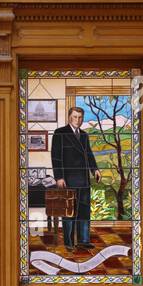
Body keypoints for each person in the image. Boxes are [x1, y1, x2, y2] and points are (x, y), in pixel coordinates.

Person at [51, 105, 100, 250]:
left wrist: (95, 169)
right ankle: (69, 243)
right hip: (68, 179)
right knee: (69, 212)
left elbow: (89, 154)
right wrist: (59, 177)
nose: (77, 120)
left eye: (80, 118)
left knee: (84, 211)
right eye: (74, 117)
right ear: (69, 117)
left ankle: (84, 240)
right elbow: (56, 157)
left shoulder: (84, 135)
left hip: (84, 179)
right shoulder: (60, 133)